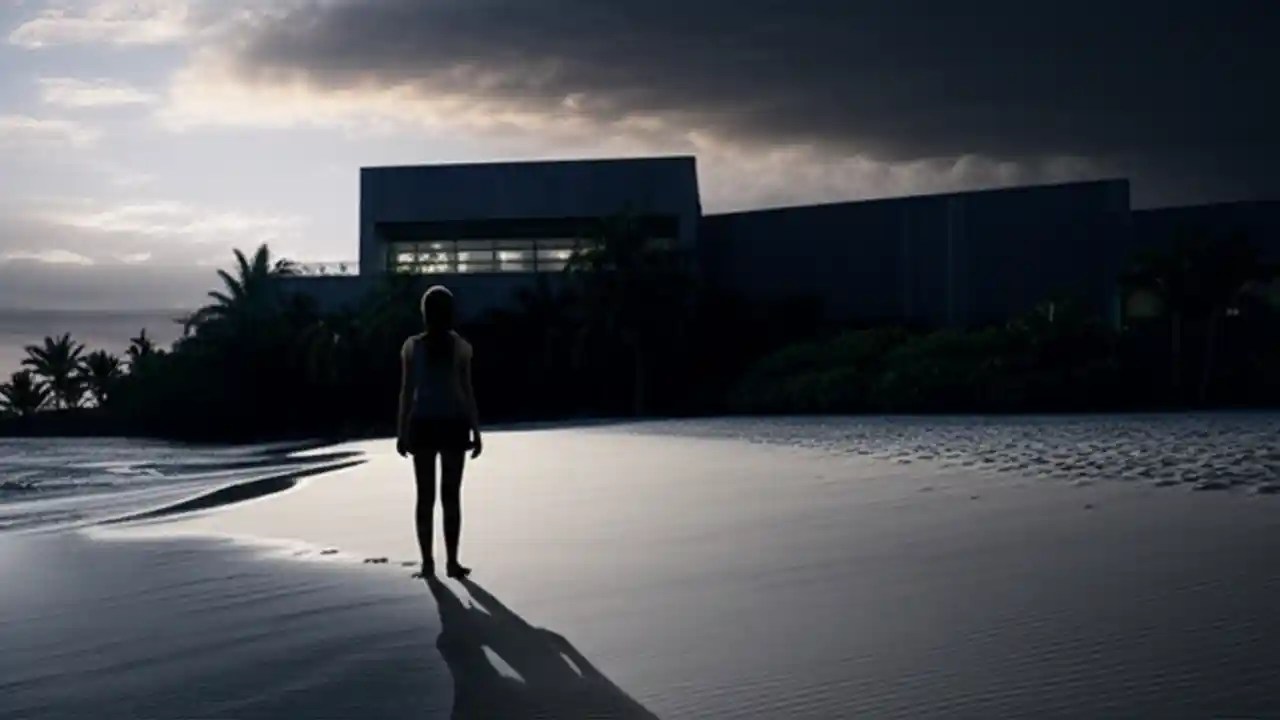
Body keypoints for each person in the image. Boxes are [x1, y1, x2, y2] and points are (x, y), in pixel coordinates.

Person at [397, 285, 482, 578]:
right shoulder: (460, 347)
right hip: (453, 423)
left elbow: (407, 392)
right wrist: (476, 429)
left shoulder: (412, 346)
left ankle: (427, 563)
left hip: (422, 423)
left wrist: (401, 429)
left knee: (425, 496)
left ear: (424, 313)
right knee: (450, 497)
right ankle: (452, 562)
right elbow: (467, 390)